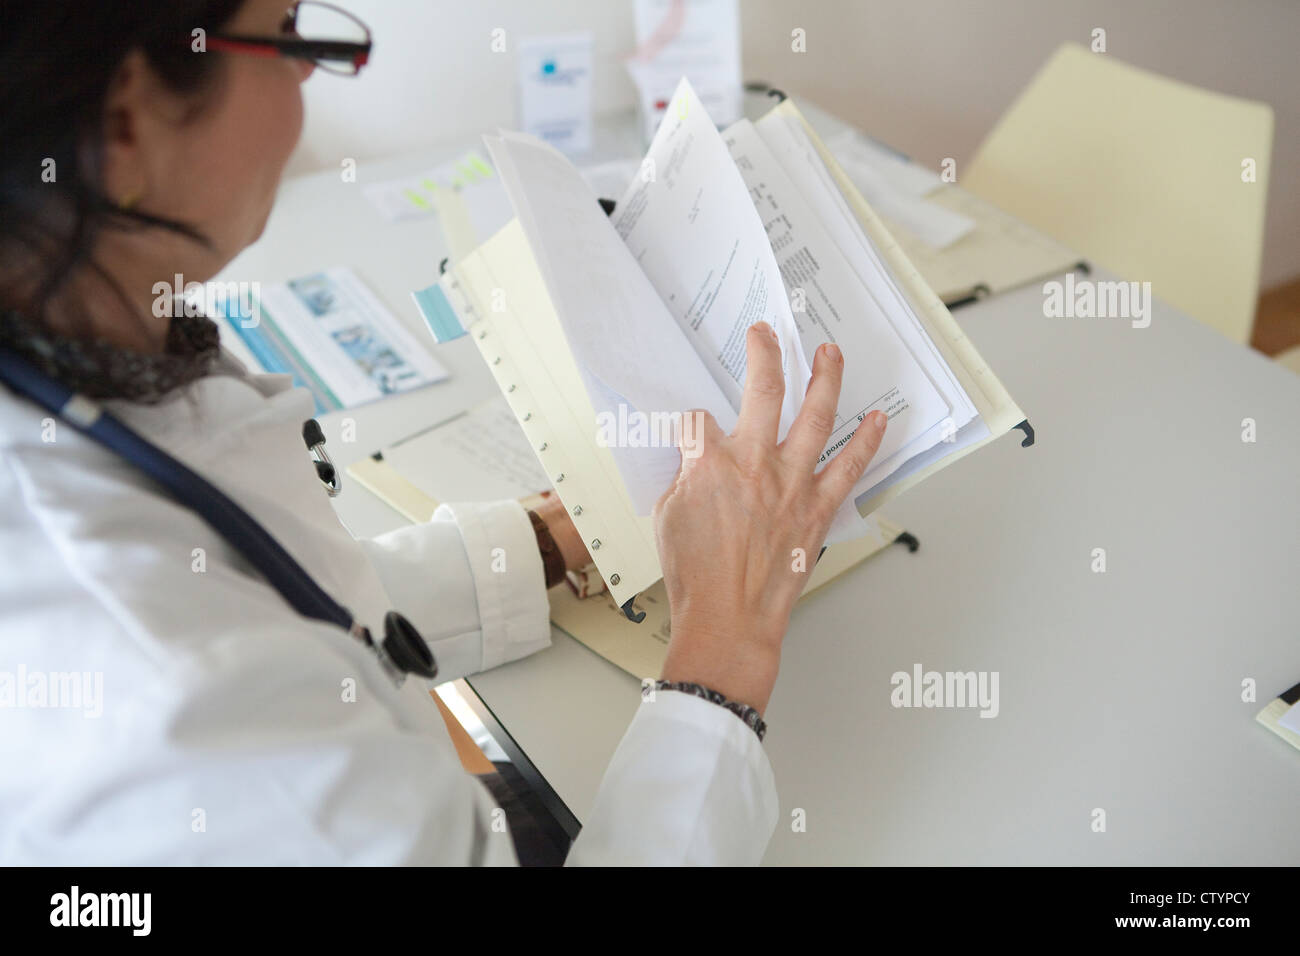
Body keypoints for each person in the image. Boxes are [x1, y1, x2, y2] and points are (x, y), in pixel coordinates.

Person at [0, 0, 887, 865]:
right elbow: (228, 655)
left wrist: (546, 540)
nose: (310, 66)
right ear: (126, 123)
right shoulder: (173, 704)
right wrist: (720, 656)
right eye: (283, 36)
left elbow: (272, 598)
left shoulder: (72, 367)